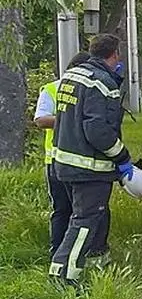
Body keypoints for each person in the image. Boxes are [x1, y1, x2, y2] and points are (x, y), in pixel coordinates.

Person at [49, 34, 137, 288]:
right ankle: (63, 274)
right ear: (115, 54)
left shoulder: (71, 76)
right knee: (85, 221)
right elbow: (97, 130)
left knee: (85, 218)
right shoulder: (104, 83)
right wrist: (122, 157)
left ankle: (94, 264)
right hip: (89, 167)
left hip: (63, 162)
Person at [33, 52, 92, 256]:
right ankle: (57, 251)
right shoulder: (52, 89)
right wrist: (69, 119)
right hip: (56, 161)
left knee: (83, 211)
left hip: (83, 160)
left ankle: (78, 253)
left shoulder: (90, 89)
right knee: (62, 209)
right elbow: (40, 120)